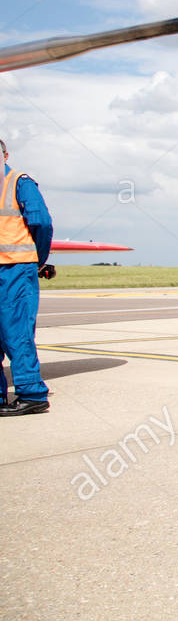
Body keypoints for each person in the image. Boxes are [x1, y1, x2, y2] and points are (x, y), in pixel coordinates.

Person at [0, 138, 52, 416]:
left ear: (6, 154)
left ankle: (32, 394)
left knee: (16, 332)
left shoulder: (19, 182)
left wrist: (36, 261)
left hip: (15, 269)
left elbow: (41, 223)